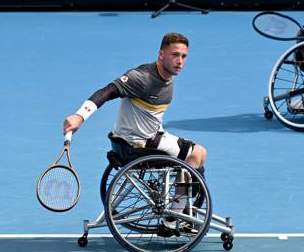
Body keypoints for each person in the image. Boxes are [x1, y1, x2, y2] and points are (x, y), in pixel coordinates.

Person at [63, 32, 206, 229]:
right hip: (136, 145)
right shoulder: (142, 78)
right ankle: (174, 217)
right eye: (175, 55)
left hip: (150, 136)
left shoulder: (168, 75)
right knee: (196, 158)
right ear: (161, 55)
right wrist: (80, 116)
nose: (179, 61)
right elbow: (107, 91)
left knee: (198, 155)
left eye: (184, 56)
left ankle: (182, 208)